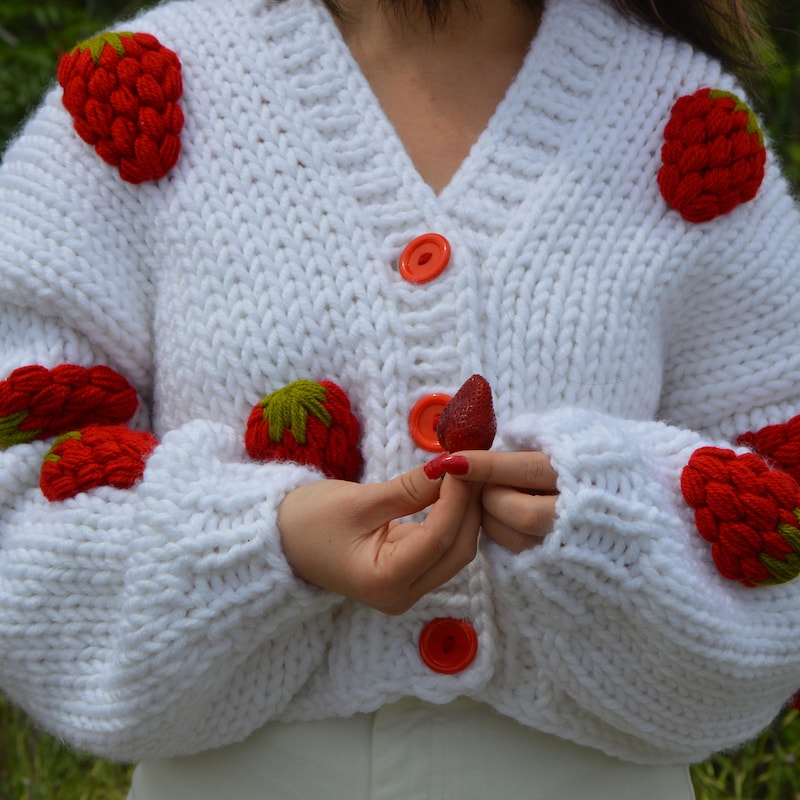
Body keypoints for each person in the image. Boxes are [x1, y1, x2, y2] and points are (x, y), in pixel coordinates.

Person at [1, 0, 799, 797]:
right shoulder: (147, 90)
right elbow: (19, 489)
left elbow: (782, 529)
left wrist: (612, 525)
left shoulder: (685, 125)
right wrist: (259, 543)